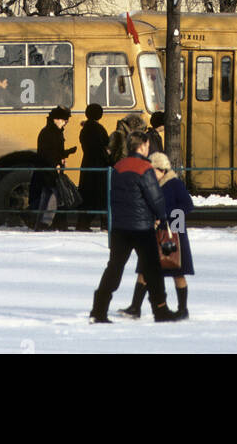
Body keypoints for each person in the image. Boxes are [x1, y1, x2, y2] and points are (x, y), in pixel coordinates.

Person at [90, 130, 177, 324]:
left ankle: (99, 309)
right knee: (152, 269)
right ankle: (160, 309)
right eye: (147, 146)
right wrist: (161, 216)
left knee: (114, 268)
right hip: (141, 227)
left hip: (120, 228)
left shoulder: (118, 166)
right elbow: (154, 197)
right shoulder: (145, 168)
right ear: (143, 145)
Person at [121, 150, 194, 321]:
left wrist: (167, 218)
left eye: (152, 170)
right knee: (145, 270)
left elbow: (187, 205)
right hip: (153, 233)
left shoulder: (174, 184)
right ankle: (135, 307)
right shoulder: (151, 185)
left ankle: (183, 309)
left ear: (162, 170)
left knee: (177, 270)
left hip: (173, 235)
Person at [30, 106, 76, 230]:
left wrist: (66, 153)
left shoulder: (49, 131)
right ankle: (46, 223)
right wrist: (57, 162)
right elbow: (51, 152)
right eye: (63, 120)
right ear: (56, 119)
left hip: (47, 168)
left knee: (47, 195)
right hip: (50, 169)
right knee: (55, 196)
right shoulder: (53, 133)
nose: (65, 123)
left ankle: (42, 223)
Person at [77, 103, 109, 231]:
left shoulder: (85, 129)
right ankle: (103, 223)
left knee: (87, 195)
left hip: (87, 163)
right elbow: (103, 147)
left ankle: (83, 222)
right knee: (100, 195)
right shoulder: (98, 129)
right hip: (98, 166)